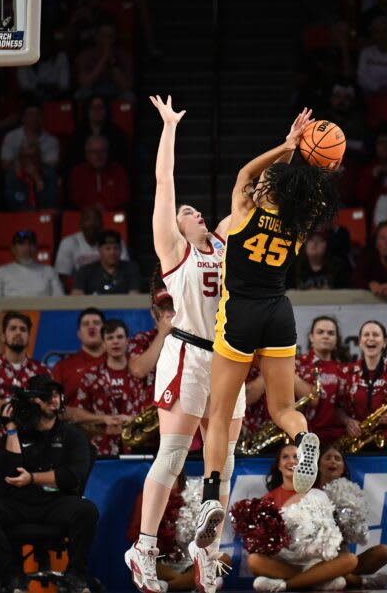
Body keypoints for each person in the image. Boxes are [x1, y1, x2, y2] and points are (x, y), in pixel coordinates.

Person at [195, 107, 339, 550]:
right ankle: (302, 435)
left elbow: (245, 171)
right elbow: (313, 189)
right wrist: (316, 159)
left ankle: (209, 493)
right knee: (282, 409)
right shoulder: (302, 221)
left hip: (241, 314)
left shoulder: (242, 211)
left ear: (266, 190)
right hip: (279, 311)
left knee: (219, 414)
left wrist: (288, 144)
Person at [125, 96, 244, 593]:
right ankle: (145, 548)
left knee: (226, 460)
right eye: (185, 212)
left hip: (227, 358)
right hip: (187, 353)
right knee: (172, 457)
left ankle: (206, 550)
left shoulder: (222, 239)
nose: (191, 210)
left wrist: (290, 148)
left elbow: (248, 197)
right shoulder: (173, 251)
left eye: (195, 210)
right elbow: (164, 184)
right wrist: (170, 128)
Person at [0, 374, 98, 593]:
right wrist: (11, 428)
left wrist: (32, 478)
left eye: (56, 395)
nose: (53, 400)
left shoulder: (73, 435)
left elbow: (72, 476)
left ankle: (75, 575)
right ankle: (11, 575)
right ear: (32, 401)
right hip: (19, 503)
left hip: (55, 503)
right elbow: (11, 473)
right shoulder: (16, 433)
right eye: (45, 396)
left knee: (87, 511)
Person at [245, 443, 359, 592]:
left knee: (350, 560)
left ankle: (286, 585)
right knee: (254, 560)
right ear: (279, 466)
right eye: (286, 457)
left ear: (305, 464)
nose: (291, 461)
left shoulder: (318, 494)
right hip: (283, 562)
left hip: (315, 561)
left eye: (297, 457)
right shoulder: (267, 500)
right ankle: (318, 580)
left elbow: (329, 535)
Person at [315, 446, 387, 589]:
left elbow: (361, 536)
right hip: (316, 557)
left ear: (343, 468)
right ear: (318, 465)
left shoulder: (352, 495)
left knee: (383, 551)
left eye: (337, 459)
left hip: (344, 558)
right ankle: (359, 581)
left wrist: (350, 524)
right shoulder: (310, 493)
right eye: (327, 458)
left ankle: (338, 577)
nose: (333, 462)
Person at [69, 319, 145, 456]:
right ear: (103, 344)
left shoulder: (140, 373)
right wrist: (104, 419)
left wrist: (133, 420)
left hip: (139, 449)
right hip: (102, 451)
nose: (115, 341)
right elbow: (77, 414)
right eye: (110, 338)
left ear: (127, 341)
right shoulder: (91, 376)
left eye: (120, 337)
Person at [0, 312, 49, 452]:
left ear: (29, 337)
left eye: (23, 329)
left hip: (33, 449)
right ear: (3, 336)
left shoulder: (41, 370)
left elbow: (49, 406)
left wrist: (12, 404)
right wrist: (30, 405)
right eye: (13, 328)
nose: (18, 332)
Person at [341, 320, 387, 449]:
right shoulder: (347, 372)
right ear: (359, 341)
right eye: (366, 335)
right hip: (355, 441)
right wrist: (347, 421)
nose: (370, 338)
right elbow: (337, 407)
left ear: (385, 342)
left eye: (375, 335)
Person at [294, 317, 350, 447]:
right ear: (311, 337)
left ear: (336, 340)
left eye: (330, 333)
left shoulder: (344, 370)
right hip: (300, 440)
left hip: (334, 443)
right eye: (320, 332)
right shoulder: (296, 365)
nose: (326, 336)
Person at [54, 206, 130, 278]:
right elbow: (63, 276)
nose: (92, 223)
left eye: (95, 220)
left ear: (102, 224)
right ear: (81, 224)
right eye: (88, 219)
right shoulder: (68, 243)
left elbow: (124, 271)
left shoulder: (115, 241)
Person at [0, 230, 65, 297]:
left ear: (36, 248)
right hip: (11, 313)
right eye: (21, 244)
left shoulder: (49, 271)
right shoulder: (0, 272)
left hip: (43, 313)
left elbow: (60, 300)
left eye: (31, 244)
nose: (27, 248)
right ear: (13, 249)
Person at [51, 309, 105, 403]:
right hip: (73, 418)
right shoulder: (62, 367)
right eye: (86, 324)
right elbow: (54, 407)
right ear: (79, 334)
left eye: (96, 323)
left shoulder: (122, 363)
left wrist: (137, 419)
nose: (91, 327)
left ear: (105, 331)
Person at [67, 135, 131, 211]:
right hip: (84, 218)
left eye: (102, 151)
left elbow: (124, 200)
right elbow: (74, 202)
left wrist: (105, 208)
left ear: (108, 152)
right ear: (86, 154)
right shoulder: (78, 172)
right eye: (94, 152)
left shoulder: (118, 170)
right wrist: (92, 210)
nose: (99, 156)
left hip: (112, 216)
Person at [72, 230, 141, 295]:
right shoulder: (85, 271)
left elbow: (134, 296)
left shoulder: (131, 269)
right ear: (99, 250)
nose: (112, 252)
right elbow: (76, 299)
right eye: (108, 248)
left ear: (121, 250)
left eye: (116, 248)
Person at [0, 101, 61, 170]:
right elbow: (5, 165)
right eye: (31, 115)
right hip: (17, 176)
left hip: (42, 176)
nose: (35, 118)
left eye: (38, 115)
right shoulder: (11, 137)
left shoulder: (52, 140)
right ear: (23, 118)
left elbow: (52, 166)